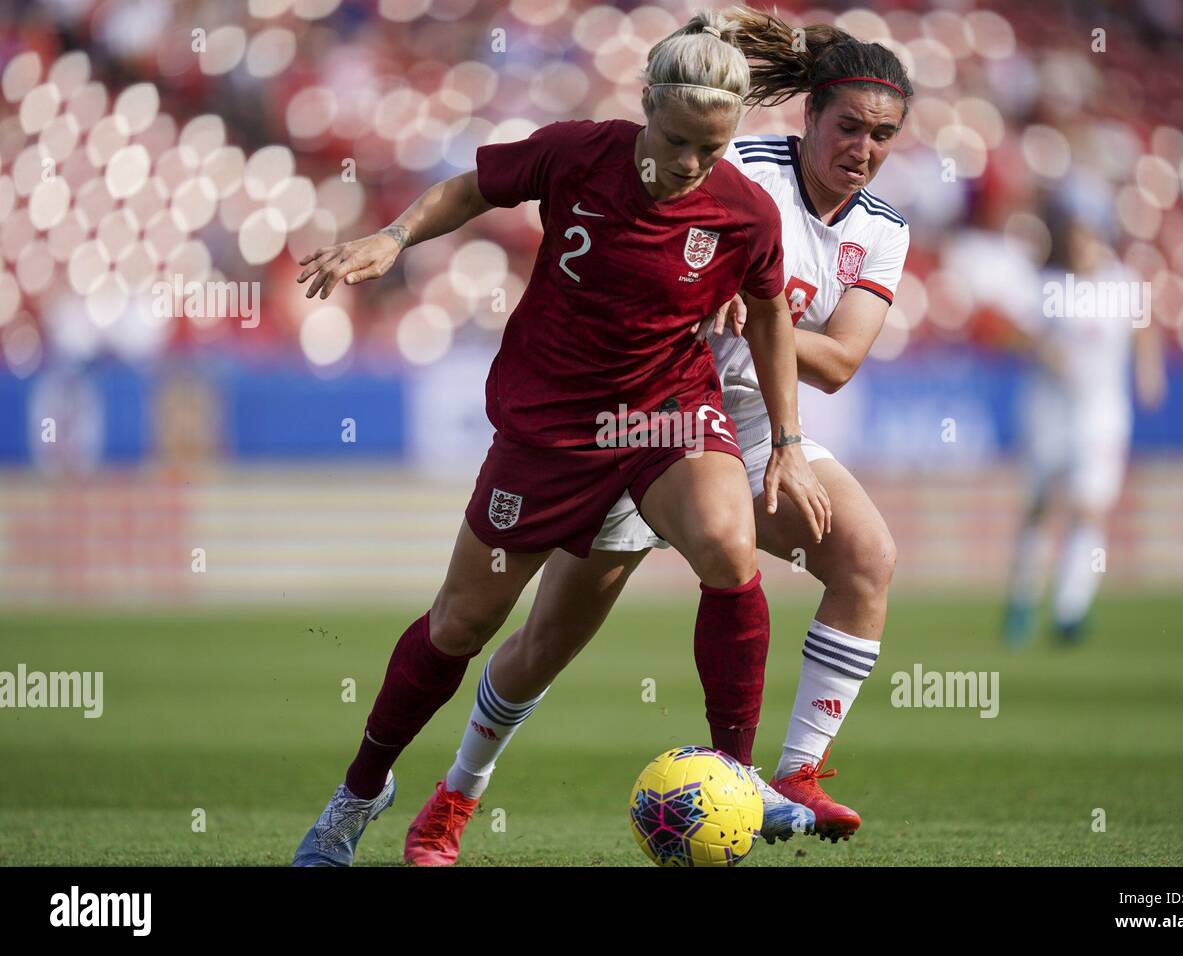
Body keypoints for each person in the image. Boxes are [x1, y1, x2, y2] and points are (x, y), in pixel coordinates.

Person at [291, 9, 831, 867]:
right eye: (681, 141)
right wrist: (395, 236)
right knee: (465, 627)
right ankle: (360, 795)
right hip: (549, 432)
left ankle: (737, 771)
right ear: (648, 106)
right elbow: (471, 187)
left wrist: (791, 440)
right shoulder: (576, 151)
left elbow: (767, 311)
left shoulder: (743, 213)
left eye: (712, 149)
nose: (692, 165)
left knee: (730, 548)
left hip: (664, 416)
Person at [402, 8, 915, 865]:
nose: (863, 148)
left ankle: (789, 779)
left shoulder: (884, 231)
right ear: (810, 118)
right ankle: (457, 792)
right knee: (541, 646)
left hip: (745, 434)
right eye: (849, 127)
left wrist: (759, 316)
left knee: (865, 556)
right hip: (648, 415)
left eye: (884, 136)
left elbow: (839, 362)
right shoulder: (740, 169)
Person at [1003, 180, 1166, 647]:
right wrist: (1042, 348)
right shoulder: (1046, 283)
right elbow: (1012, 330)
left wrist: (1149, 372)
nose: (1077, 240)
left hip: (1100, 410)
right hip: (1047, 409)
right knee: (1039, 508)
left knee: (1089, 509)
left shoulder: (1121, 282)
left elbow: (1142, 327)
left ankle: (1070, 610)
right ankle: (1022, 599)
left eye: (1084, 231)